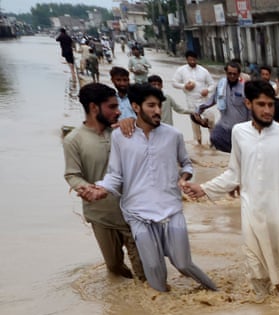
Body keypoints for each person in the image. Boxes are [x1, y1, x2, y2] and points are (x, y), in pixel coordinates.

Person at [182, 80, 279, 296]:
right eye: (261, 104)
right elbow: (234, 173)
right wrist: (204, 188)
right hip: (253, 215)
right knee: (257, 271)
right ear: (248, 104)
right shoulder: (239, 133)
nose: (267, 110)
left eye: (270, 105)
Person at [82, 83, 217, 293]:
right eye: (151, 105)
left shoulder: (173, 135)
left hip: (171, 208)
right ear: (136, 107)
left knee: (183, 263)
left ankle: (217, 292)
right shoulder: (120, 137)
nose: (157, 111)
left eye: (159, 105)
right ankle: (162, 313)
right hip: (137, 212)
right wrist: (102, 189)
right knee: (154, 268)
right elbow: (115, 173)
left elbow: (186, 163)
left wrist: (184, 177)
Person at [63, 82, 144, 281]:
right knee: (115, 267)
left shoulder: (122, 132)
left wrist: (133, 121)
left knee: (145, 269)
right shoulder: (74, 140)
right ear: (93, 108)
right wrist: (87, 188)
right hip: (101, 216)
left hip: (132, 212)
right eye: (112, 107)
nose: (118, 112)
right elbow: (72, 174)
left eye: (118, 107)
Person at [196, 61, 249, 153]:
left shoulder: (245, 88)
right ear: (226, 73)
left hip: (241, 127)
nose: (232, 76)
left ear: (239, 74)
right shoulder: (221, 85)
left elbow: (251, 108)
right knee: (214, 138)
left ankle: (238, 155)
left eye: (234, 74)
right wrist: (200, 109)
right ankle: (233, 154)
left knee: (244, 151)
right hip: (224, 125)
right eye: (229, 73)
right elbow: (213, 99)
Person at [172, 50, 215, 145]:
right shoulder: (181, 70)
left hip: (204, 101)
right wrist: (184, 86)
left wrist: (207, 90)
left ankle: (213, 141)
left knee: (210, 119)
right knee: (195, 123)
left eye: (194, 60)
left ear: (196, 59)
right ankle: (198, 143)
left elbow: (212, 84)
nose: (192, 62)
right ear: (187, 60)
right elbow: (174, 83)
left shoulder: (203, 71)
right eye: (190, 60)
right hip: (191, 101)